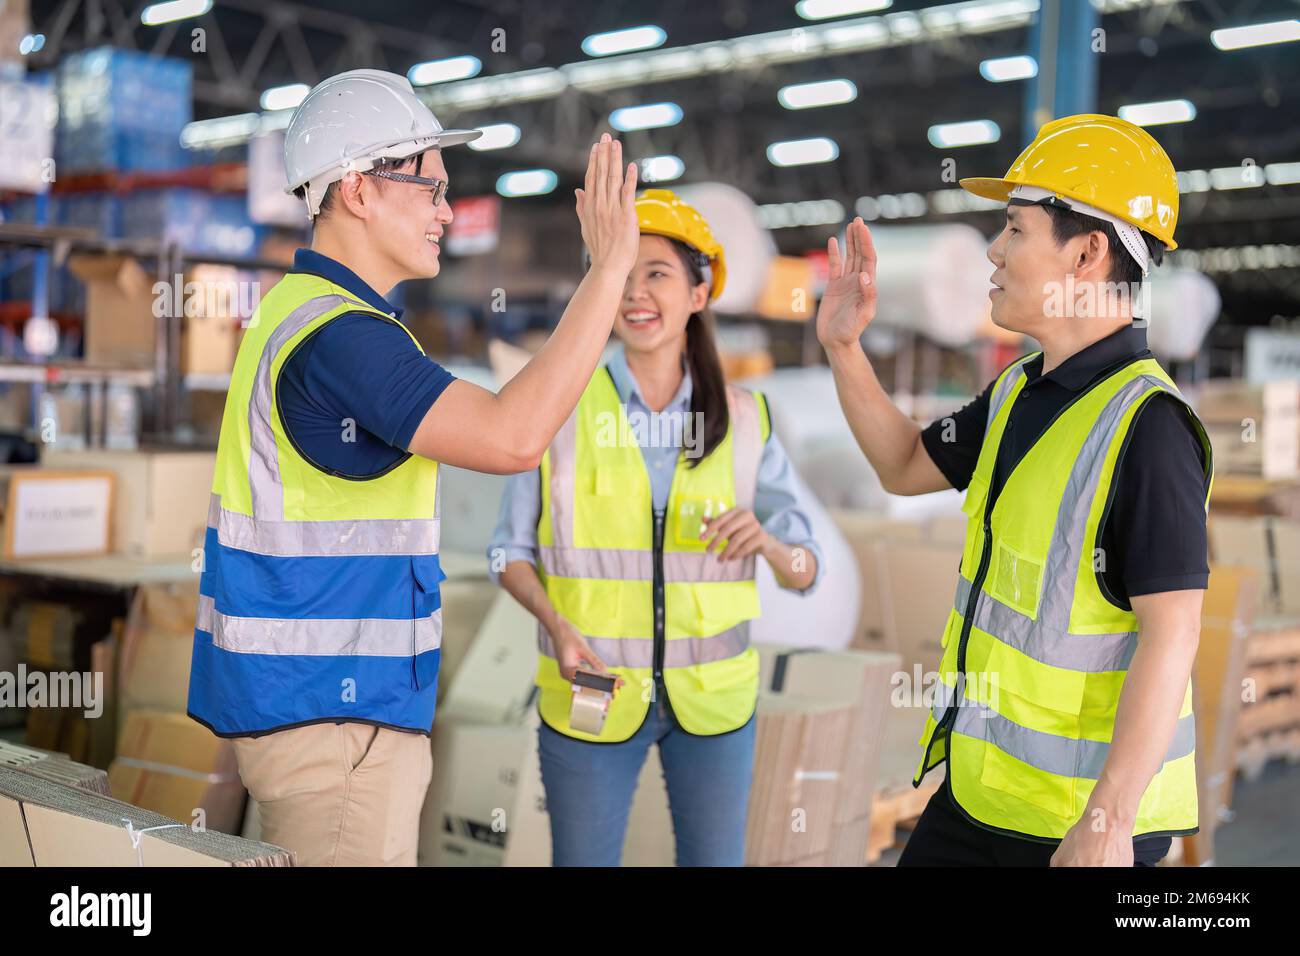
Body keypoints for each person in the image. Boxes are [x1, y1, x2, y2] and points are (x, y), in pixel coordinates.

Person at [186, 69, 641, 866]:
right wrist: (608, 273)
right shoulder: (343, 338)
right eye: (429, 187)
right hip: (336, 729)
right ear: (358, 189)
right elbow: (512, 438)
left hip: (318, 715)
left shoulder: (302, 314)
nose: (445, 210)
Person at [816, 114, 1212, 867]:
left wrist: (1107, 822)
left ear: (1089, 253)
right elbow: (903, 465)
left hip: (1073, 826)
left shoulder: (1149, 427)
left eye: (1015, 229)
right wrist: (843, 348)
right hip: (979, 799)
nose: (993, 252)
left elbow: (1174, 634)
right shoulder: (1019, 392)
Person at [488, 189, 823, 866]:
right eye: (623, 274)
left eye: (658, 274)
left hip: (715, 706)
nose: (636, 294)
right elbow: (508, 552)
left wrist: (772, 545)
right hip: (593, 693)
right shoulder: (558, 408)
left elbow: (806, 572)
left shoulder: (747, 417)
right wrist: (555, 625)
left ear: (700, 293)